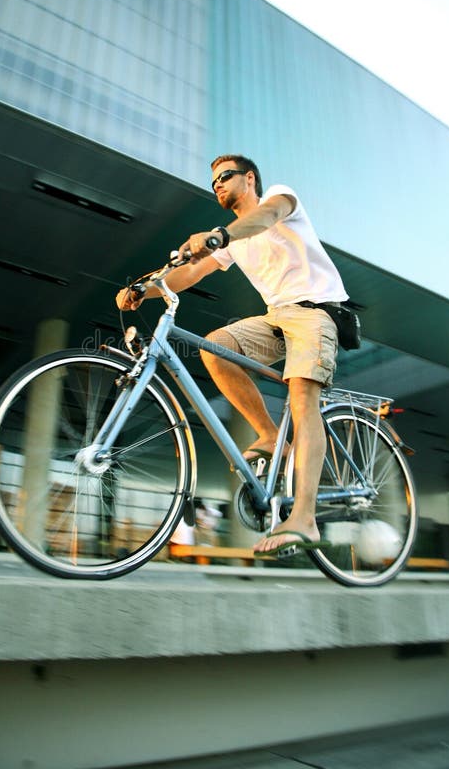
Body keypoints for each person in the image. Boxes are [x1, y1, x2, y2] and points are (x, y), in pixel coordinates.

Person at [116, 154, 348, 557]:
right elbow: (190, 273)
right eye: (213, 183)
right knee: (217, 347)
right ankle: (271, 435)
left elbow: (264, 218)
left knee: (302, 397)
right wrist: (143, 289)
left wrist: (217, 236)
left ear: (250, 178)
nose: (217, 185)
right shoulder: (233, 241)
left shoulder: (278, 197)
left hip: (315, 312)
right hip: (277, 317)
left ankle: (305, 520)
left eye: (225, 177)